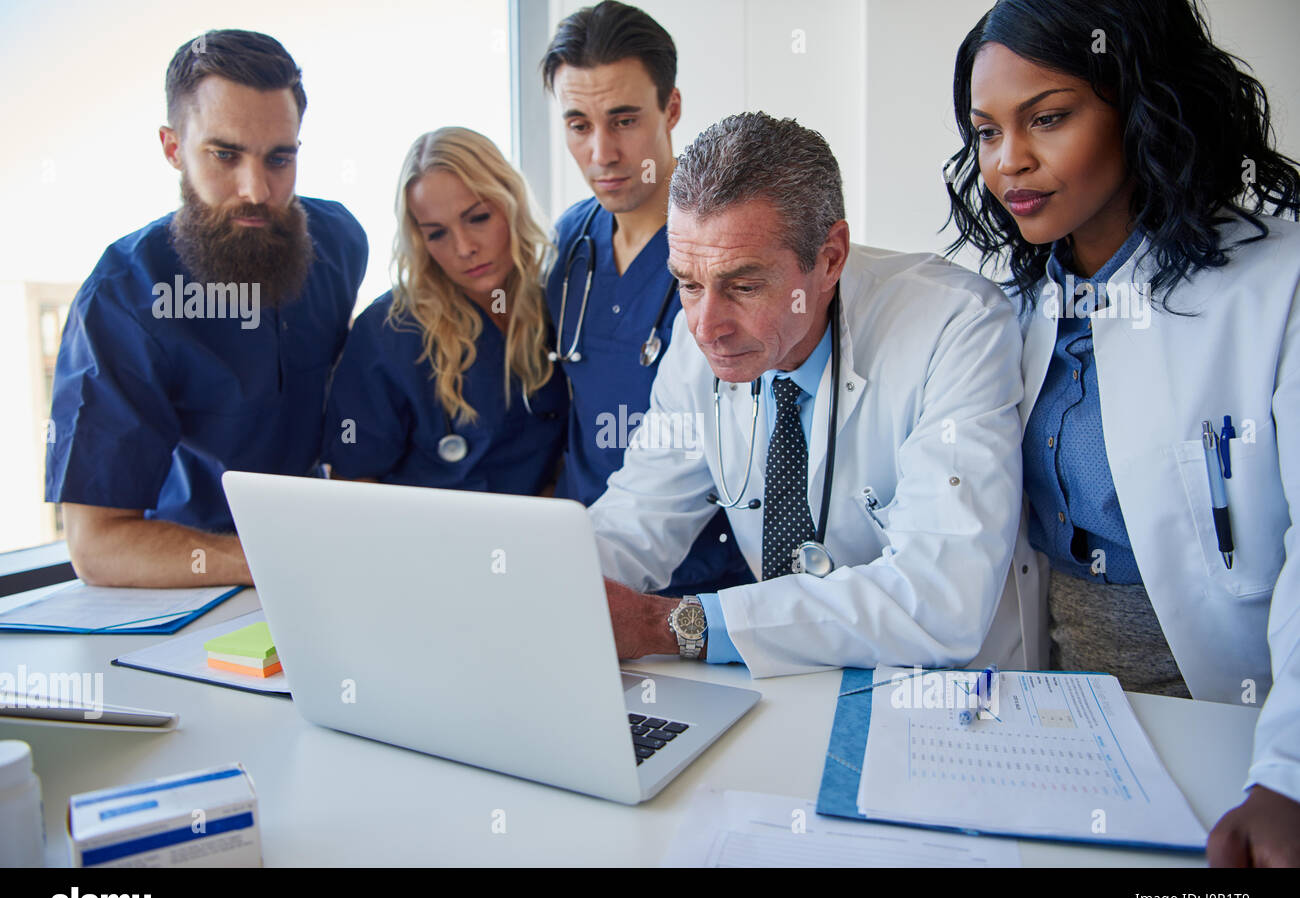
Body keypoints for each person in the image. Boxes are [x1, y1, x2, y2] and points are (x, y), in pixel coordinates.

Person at [944, 0, 1300, 866]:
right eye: (986, 132)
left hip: (1226, 730)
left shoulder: (1276, 288)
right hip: (1051, 721)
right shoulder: (1007, 297)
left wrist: (1287, 772)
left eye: (1049, 117)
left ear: (1143, 106)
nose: (1009, 162)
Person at [589, 112, 1026, 678]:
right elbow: (636, 517)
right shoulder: (694, 341)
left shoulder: (956, 325)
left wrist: (668, 625)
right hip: (797, 687)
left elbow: (942, 598)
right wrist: (546, 587)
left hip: (952, 699)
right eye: (688, 284)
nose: (704, 326)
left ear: (830, 258)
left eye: (744, 286)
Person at [45, 29, 367, 588]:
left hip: (324, 558)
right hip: (188, 577)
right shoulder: (122, 298)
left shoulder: (339, 242)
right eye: (225, 155)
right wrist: (275, 563)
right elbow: (96, 546)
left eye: (279, 158)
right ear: (173, 149)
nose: (257, 190)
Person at [541, 0, 753, 595]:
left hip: (708, 588)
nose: (601, 153)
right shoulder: (570, 242)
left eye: (625, 119)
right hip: (587, 567)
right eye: (579, 124)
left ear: (672, 108)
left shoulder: (728, 245)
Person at [321, 128, 567, 492]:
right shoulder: (391, 332)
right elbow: (353, 479)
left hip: (538, 535)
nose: (464, 247)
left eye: (478, 217)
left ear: (510, 202)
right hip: (422, 540)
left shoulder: (558, 306)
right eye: (437, 233)